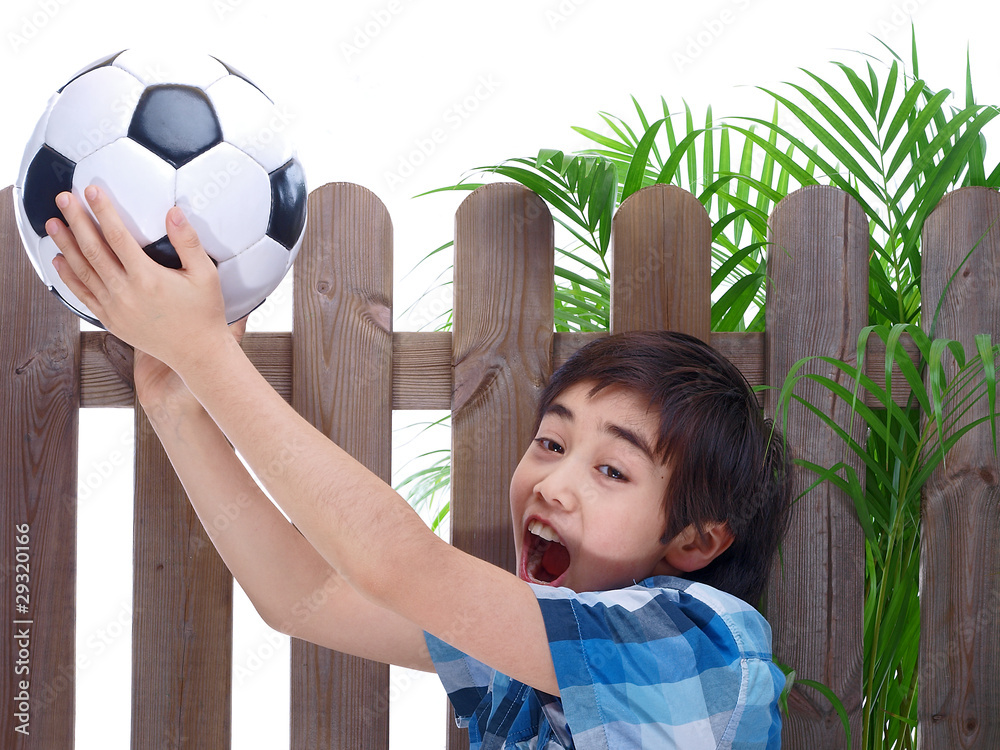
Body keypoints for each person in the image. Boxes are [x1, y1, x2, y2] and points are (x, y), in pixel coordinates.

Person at [47, 185, 792, 749]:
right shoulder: (533, 649)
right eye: (553, 444)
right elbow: (305, 599)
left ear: (697, 542)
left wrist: (208, 356)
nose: (553, 484)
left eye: (612, 472)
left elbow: (399, 564)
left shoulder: (698, 642)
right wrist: (178, 404)